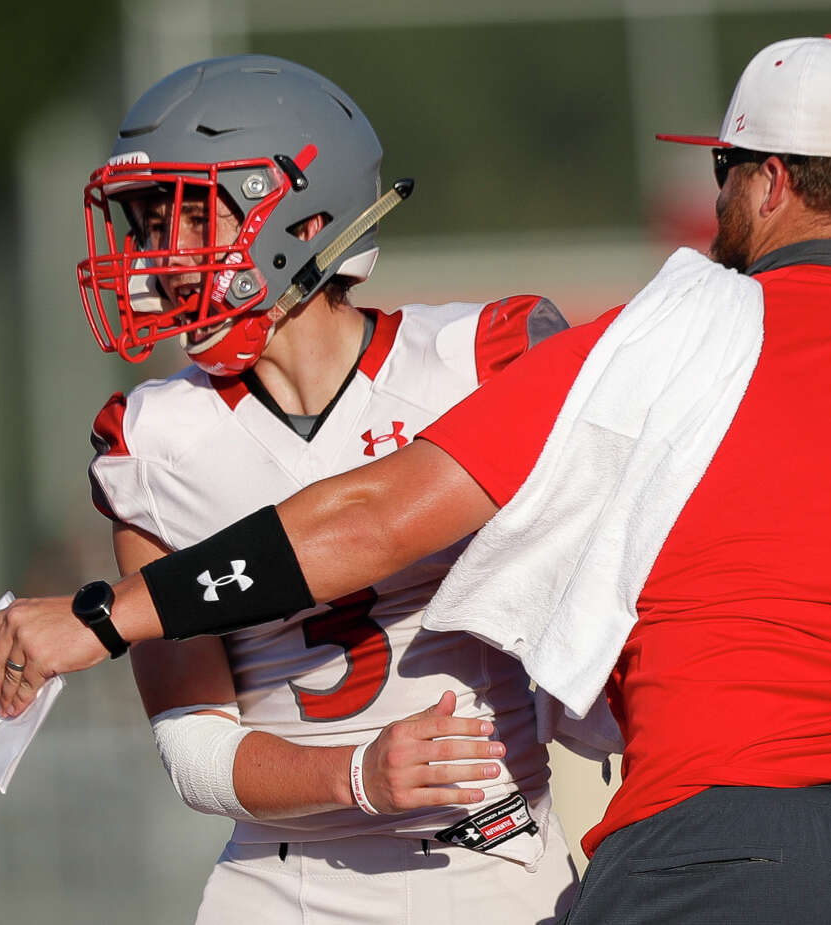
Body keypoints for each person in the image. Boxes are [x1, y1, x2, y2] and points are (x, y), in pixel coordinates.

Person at [0, 37, 831, 924]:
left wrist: (103, 617)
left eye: (181, 215)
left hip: (621, 849)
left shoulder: (633, 339)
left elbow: (369, 518)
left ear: (768, 184)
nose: (155, 252)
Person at [66, 55, 578, 924]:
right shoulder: (151, 440)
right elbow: (194, 748)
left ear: (296, 216)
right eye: (144, 226)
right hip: (279, 878)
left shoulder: (483, 360)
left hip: (488, 860)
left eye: (180, 220)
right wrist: (354, 773)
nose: (151, 260)